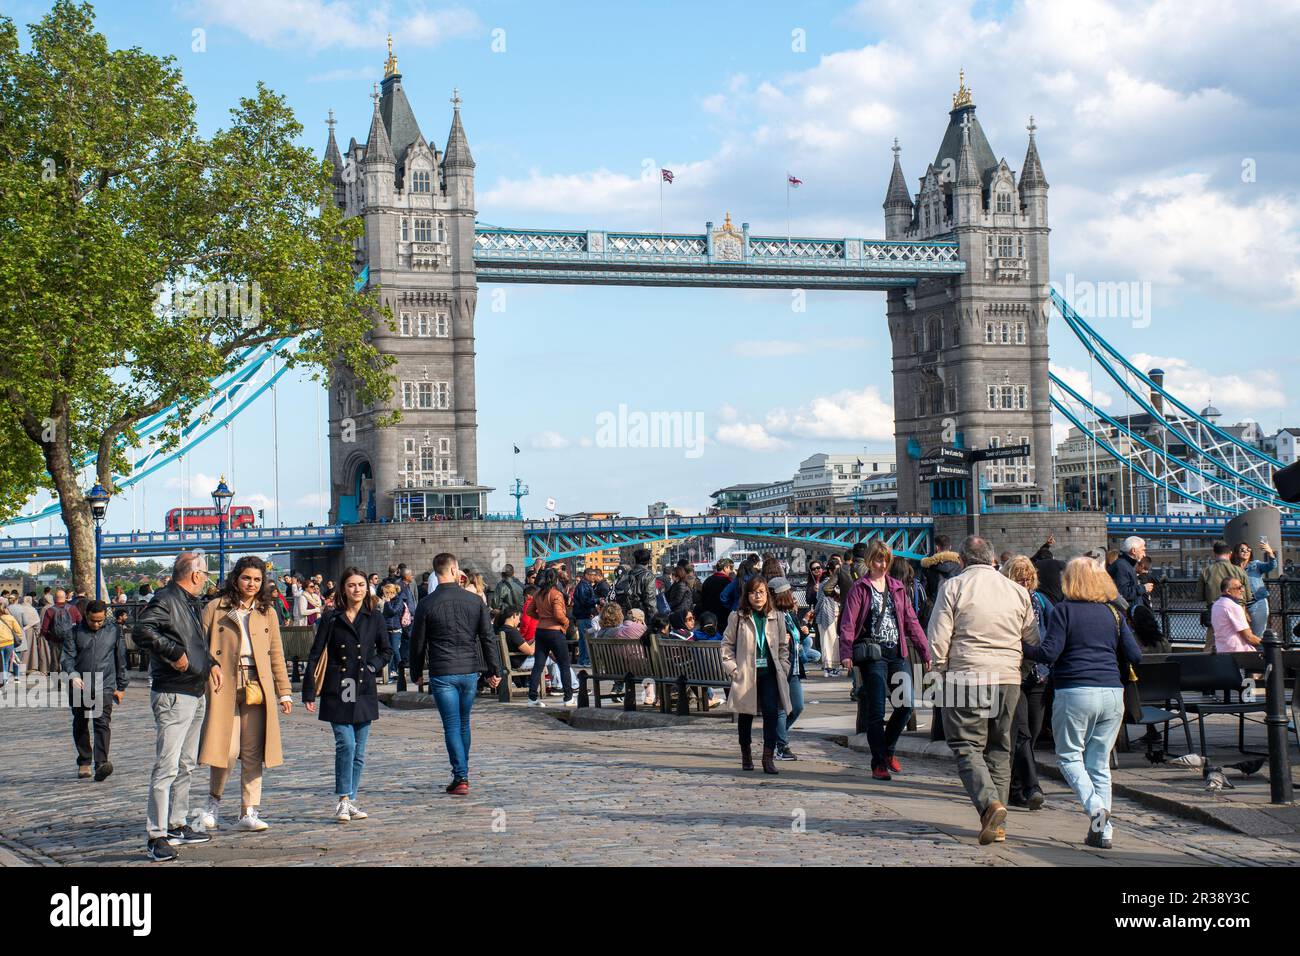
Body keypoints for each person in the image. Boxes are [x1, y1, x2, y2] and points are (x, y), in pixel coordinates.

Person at [1023, 557, 1143, 849]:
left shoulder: (1064, 611)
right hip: (1112, 693)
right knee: (1099, 764)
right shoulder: (1113, 612)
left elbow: (1049, 654)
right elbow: (1135, 655)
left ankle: (1096, 812)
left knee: (1069, 757)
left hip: (1075, 691)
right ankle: (1102, 831)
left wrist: (1021, 645)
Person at [926, 536, 1039, 845]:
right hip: (1008, 677)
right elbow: (1032, 638)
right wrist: (1020, 669)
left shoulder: (952, 587)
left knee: (966, 746)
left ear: (962, 561)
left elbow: (938, 636)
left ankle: (990, 804)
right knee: (1000, 749)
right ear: (992, 560)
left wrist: (937, 672)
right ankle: (997, 826)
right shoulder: (1018, 592)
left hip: (967, 674)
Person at [195, 556, 293, 833]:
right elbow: (200, 647)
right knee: (226, 749)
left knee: (253, 750)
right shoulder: (216, 608)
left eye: (257, 579)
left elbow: (276, 654)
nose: (251, 584)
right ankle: (213, 802)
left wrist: (284, 692)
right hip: (223, 682)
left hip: (257, 683)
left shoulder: (268, 613)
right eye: (246, 578)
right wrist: (207, 671)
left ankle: (249, 810)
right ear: (236, 578)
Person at [133, 551, 218, 862]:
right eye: (205, 574)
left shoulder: (186, 600)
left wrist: (212, 663)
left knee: (186, 763)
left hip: (194, 689)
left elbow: (195, 642)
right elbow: (142, 630)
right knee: (167, 766)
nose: (206, 579)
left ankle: (177, 823)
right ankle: (156, 835)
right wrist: (172, 653)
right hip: (173, 690)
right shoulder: (167, 598)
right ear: (195, 575)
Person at [303, 567, 392, 823]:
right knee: (346, 744)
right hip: (339, 685)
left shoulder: (374, 617)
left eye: (361, 585)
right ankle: (343, 800)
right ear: (343, 588)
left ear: (367, 588)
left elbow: (386, 650)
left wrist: (373, 665)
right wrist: (309, 690)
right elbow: (316, 653)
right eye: (352, 585)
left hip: (363, 686)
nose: (357, 589)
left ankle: (350, 799)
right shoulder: (332, 617)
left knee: (360, 751)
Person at [408, 553, 502, 795]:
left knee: (451, 724)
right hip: (469, 671)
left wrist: (416, 672)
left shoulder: (427, 604)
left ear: (435, 573)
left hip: (442, 671)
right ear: (454, 570)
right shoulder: (475, 601)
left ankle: (460, 776)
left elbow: (417, 642)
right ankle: (463, 772)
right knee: (463, 723)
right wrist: (495, 669)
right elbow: (487, 638)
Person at [838, 540, 931, 780]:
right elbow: (848, 623)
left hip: (896, 653)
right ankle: (878, 762)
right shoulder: (861, 588)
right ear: (870, 560)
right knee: (877, 711)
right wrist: (846, 653)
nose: (882, 565)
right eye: (878, 560)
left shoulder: (897, 587)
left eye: (886, 560)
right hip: (873, 655)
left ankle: (887, 750)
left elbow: (911, 622)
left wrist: (925, 651)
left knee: (906, 704)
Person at [722, 575, 792, 775]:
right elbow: (726, 645)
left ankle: (768, 756)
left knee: (771, 713)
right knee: (745, 714)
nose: (758, 596)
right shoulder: (738, 617)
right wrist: (733, 669)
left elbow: (782, 647)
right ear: (747, 595)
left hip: (770, 672)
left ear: (767, 594)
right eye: (753, 592)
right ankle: (746, 753)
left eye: (761, 592)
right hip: (746, 673)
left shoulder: (776, 616)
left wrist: (784, 666)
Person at [1002, 556, 1052, 810]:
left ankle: (1016, 785)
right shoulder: (1003, 601)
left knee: (1031, 731)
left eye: (1028, 576)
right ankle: (1030, 786)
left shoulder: (1041, 601)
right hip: (1013, 673)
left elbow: (1054, 629)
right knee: (1021, 731)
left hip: (1039, 674)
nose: (1025, 580)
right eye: (1019, 576)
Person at [60, 599, 128, 781]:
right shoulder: (74, 633)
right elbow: (67, 657)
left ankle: (101, 764)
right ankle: (84, 760)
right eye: (93, 620)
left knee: (102, 723)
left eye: (100, 620)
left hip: (104, 683)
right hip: (80, 683)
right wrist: (72, 674)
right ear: (86, 616)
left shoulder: (114, 631)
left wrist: (121, 686)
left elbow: (120, 659)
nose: (97, 624)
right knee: (80, 722)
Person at [768, 576, 812, 761]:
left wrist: (803, 631)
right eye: (789, 592)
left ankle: (773, 737)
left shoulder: (789, 614)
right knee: (780, 708)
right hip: (779, 668)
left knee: (798, 706)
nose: (793, 596)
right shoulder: (771, 615)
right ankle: (781, 746)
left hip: (793, 667)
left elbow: (797, 640)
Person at [524, 568, 574, 707]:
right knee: (564, 664)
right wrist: (566, 622)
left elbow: (529, 611)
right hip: (555, 632)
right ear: (556, 580)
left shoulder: (538, 593)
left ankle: (532, 698)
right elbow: (558, 614)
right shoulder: (556, 594)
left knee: (538, 665)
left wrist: (541, 617)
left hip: (541, 630)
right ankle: (568, 697)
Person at [1198, 541, 1250, 652]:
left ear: (1214, 553)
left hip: (1215, 613)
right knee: (1241, 645)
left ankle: (1212, 668)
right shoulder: (1239, 571)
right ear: (1230, 553)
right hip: (1238, 612)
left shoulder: (1205, 572)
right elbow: (1248, 597)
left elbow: (1199, 596)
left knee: (1211, 647)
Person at [1234, 541, 1276, 638]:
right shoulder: (1233, 569)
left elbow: (1271, 566)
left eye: (1248, 550)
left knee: (1257, 635)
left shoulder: (1255, 565)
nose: (1246, 552)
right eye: (1242, 550)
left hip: (1258, 603)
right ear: (1236, 553)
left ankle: (1259, 653)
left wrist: (1270, 553)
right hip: (1240, 606)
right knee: (1243, 636)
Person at [572, 566, 610, 667]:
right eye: (592, 575)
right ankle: (586, 661)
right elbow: (585, 601)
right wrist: (598, 601)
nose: (594, 577)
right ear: (587, 575)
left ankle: (582, 660)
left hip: (583, 615)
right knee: (587, 638)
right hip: (584, 615)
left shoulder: (585, 585)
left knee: (583, 639)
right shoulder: (584, 586)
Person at [1211, 577, 1262, 652]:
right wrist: (1267, 643)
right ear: (1228, 591)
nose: (1242, 590)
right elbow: (1249, 637)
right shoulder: (1234, 607)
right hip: (1239, 652)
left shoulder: (1216, 605)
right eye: (1239, 588)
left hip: (1222, 650)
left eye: (1242, 587)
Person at [920, 536, 962, 610]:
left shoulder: (928, 566)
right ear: (950, 547)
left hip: (936, 606)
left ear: (937, 548)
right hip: (957, 605)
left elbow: (924, 589)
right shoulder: (960, 565)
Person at [814, 568, 843, 675]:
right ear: (830, 571)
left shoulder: (826, 583)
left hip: (831, 615)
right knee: (829, 640)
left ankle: (830, 667)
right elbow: (820, 600)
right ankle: (830, 667)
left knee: (830, 641)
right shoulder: (826, 583)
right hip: (828, 615)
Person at [1109, 536, 1148, 614]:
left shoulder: (1126, 564)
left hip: (1129, 613)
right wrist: (1143, 588)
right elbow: (1123, 593)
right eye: (1143, 550)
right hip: (1127, 615)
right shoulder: (1122, 566)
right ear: (1133, 550)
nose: (1144, 555)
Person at [379, 582, 405, 686]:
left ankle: (400, 669)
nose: (385, 595)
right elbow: (384, 614)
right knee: (389, 651)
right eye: (384, 593)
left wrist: (387, 603)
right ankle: (390, 673)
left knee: (394, 650)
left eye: (386, 593)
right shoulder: (386, 601)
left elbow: (393, 612)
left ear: (391, 592)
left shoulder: (399, 600)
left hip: (395, 629)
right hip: (387, 629)